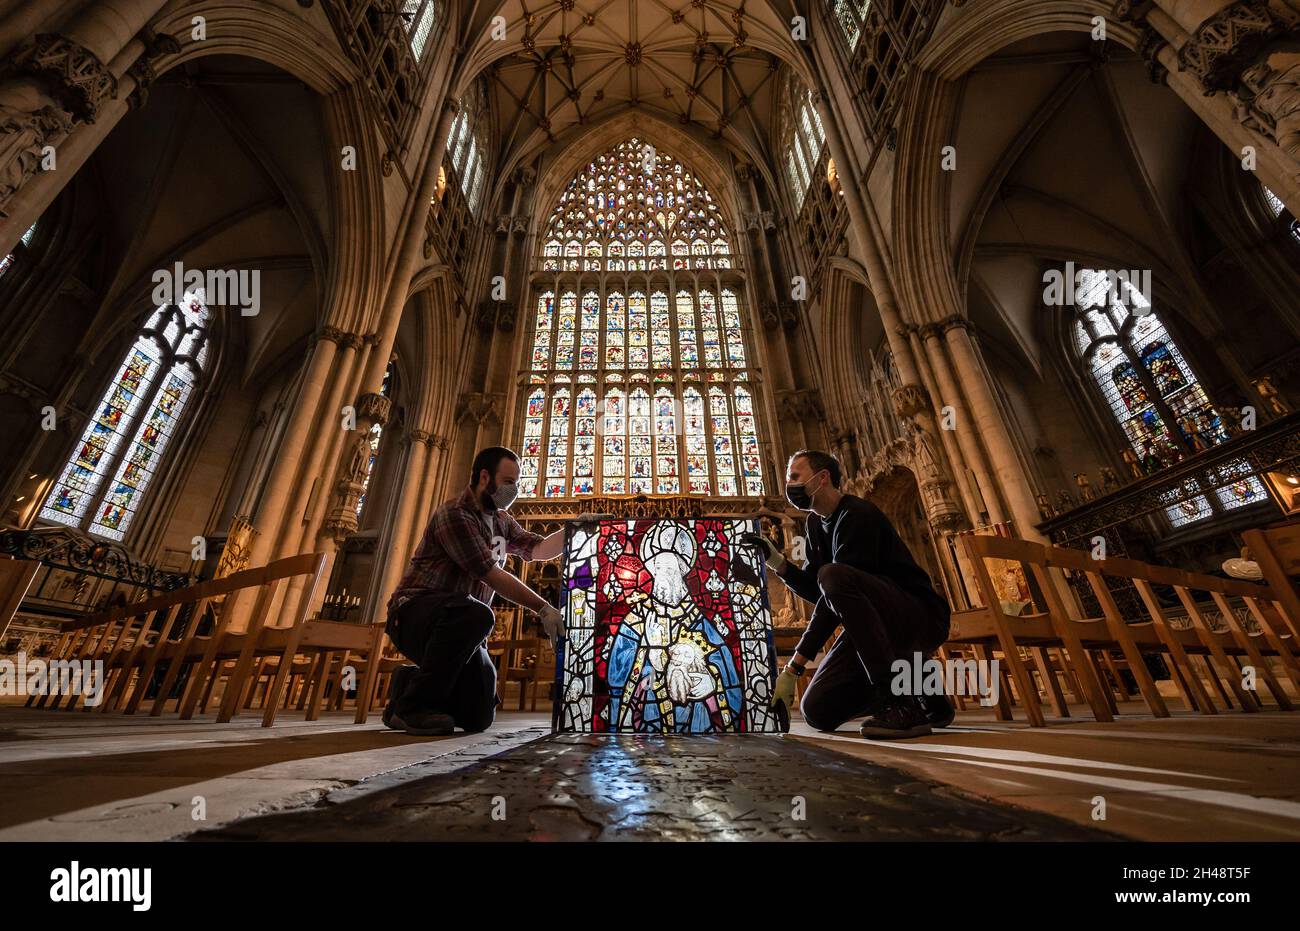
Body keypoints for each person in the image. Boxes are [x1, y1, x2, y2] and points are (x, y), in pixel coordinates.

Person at [742, 450, 953, 739]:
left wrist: (794, 668)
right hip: (877, 625)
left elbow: (833, 590)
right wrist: (776, 561)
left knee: (833, 574)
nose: (789, 485)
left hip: (919, 617)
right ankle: (924, 689)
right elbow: (822, 594)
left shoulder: (858, 515)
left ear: (822, 478)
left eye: (795, 476)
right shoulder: (816, 525)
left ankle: (899, 705)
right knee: (818, 711)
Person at [383, 446, 567, 736]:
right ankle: (413, 707)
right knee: (475, 614)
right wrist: (543, 608)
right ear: (485, 477)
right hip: (413, 615)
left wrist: (575, 529)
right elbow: (489, 574)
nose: (514, 489)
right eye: (508, 482)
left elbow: (537, 548)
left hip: (459, 625)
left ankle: (408, 685)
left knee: (478, 715)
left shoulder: (502, 521)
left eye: (517, 483)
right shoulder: (455, 514)